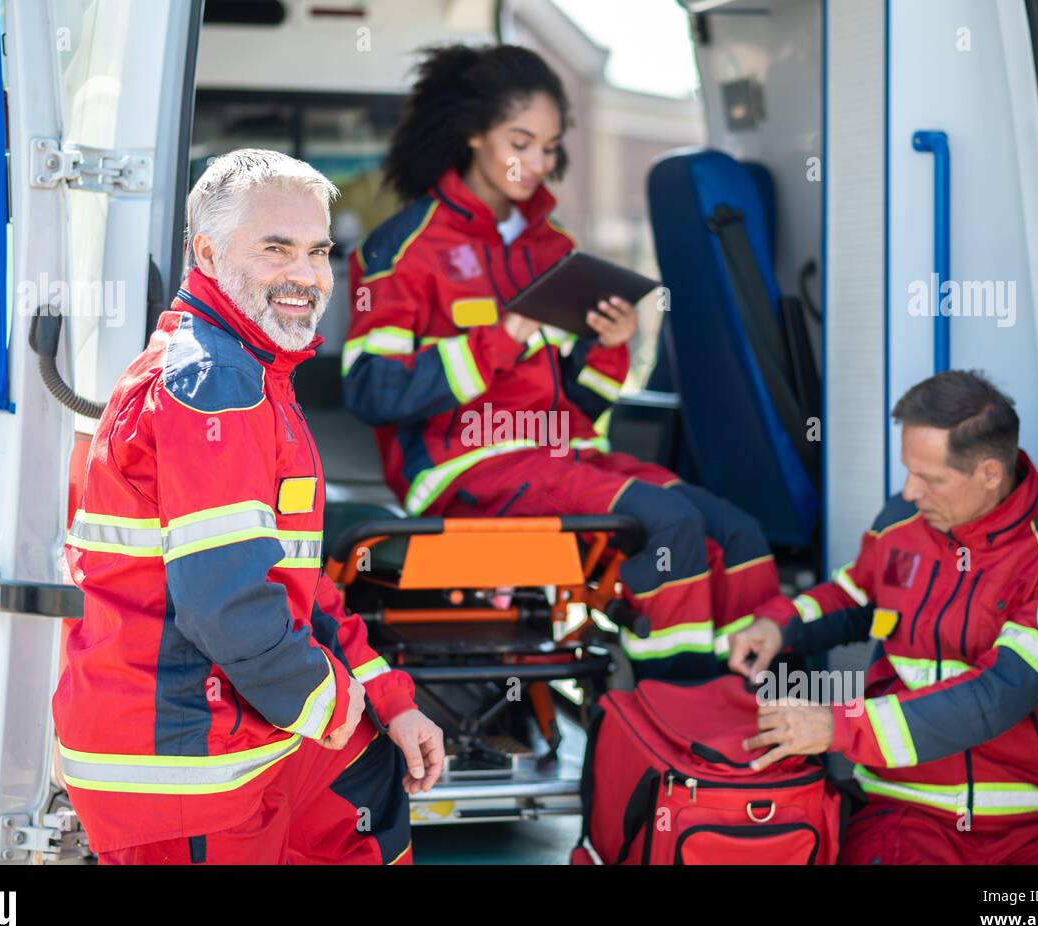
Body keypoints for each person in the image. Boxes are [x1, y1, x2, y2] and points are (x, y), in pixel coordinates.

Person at [53, 149, 444, 865]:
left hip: (238, 730)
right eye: (276, 249)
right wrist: (324, 701)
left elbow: (292, 580)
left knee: (368, 782)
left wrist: (387, 695)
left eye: (319, 250)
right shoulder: (216, 381)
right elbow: (223, 602)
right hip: (182, 766)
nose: (306, 274)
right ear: (207, 252)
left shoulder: (255, 370)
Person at [341, 44, 778, 682]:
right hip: (463, 469)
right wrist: (503, 335)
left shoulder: (555, 249)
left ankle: (743, 698)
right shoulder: (403, 246)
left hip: (563, 457)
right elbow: (373, 392)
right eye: (522, 141)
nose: (539, 163)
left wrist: (610, 341)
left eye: (550, 147)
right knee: (672, 524)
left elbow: (585, 406)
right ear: (472, 135)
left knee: (737, 532)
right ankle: (672, 710)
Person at [729, 370, 1038, 864]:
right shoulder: (900, 522)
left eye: (930, 479)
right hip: (901, 811)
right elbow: (857, 601)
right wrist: (779, 624)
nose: (910, 492)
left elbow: (999, 695)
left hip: (1036, 825)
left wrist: (841, 726)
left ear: (990, 474)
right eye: (907, 471)